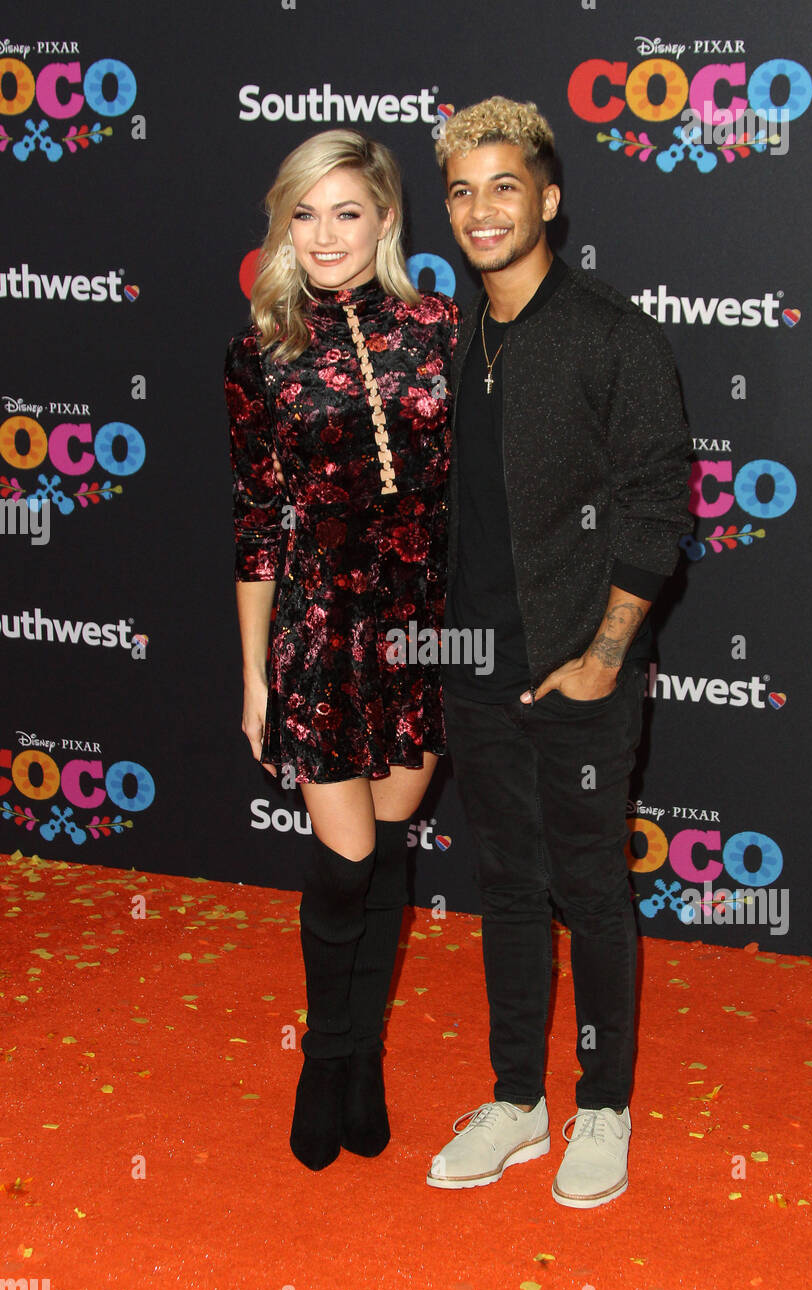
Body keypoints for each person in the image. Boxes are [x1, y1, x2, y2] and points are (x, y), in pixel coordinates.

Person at [426, 97, 692, 1207]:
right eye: (460, 190)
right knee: (505, 888)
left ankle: (602, 1105)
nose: (481, 210)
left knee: (588, 889)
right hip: (474, 667)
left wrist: (603, 654)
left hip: (579, 673)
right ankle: (516, 1101)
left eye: (502, 187)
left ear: (547, 198)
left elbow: (656, 508)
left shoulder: (609, 333)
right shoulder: (447, 338)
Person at [225, 129, 458, 1171]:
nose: (324, 234)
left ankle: (362, 1059)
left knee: (393, 841)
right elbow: (256, 520)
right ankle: (328, 1059)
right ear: (283, 224)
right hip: (319, 635)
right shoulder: (258, 353)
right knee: (345, 862)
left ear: (384, 221)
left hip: (418, 628)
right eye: (304, 213)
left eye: (347, 211)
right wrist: (251, 673)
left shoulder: (440, 330)